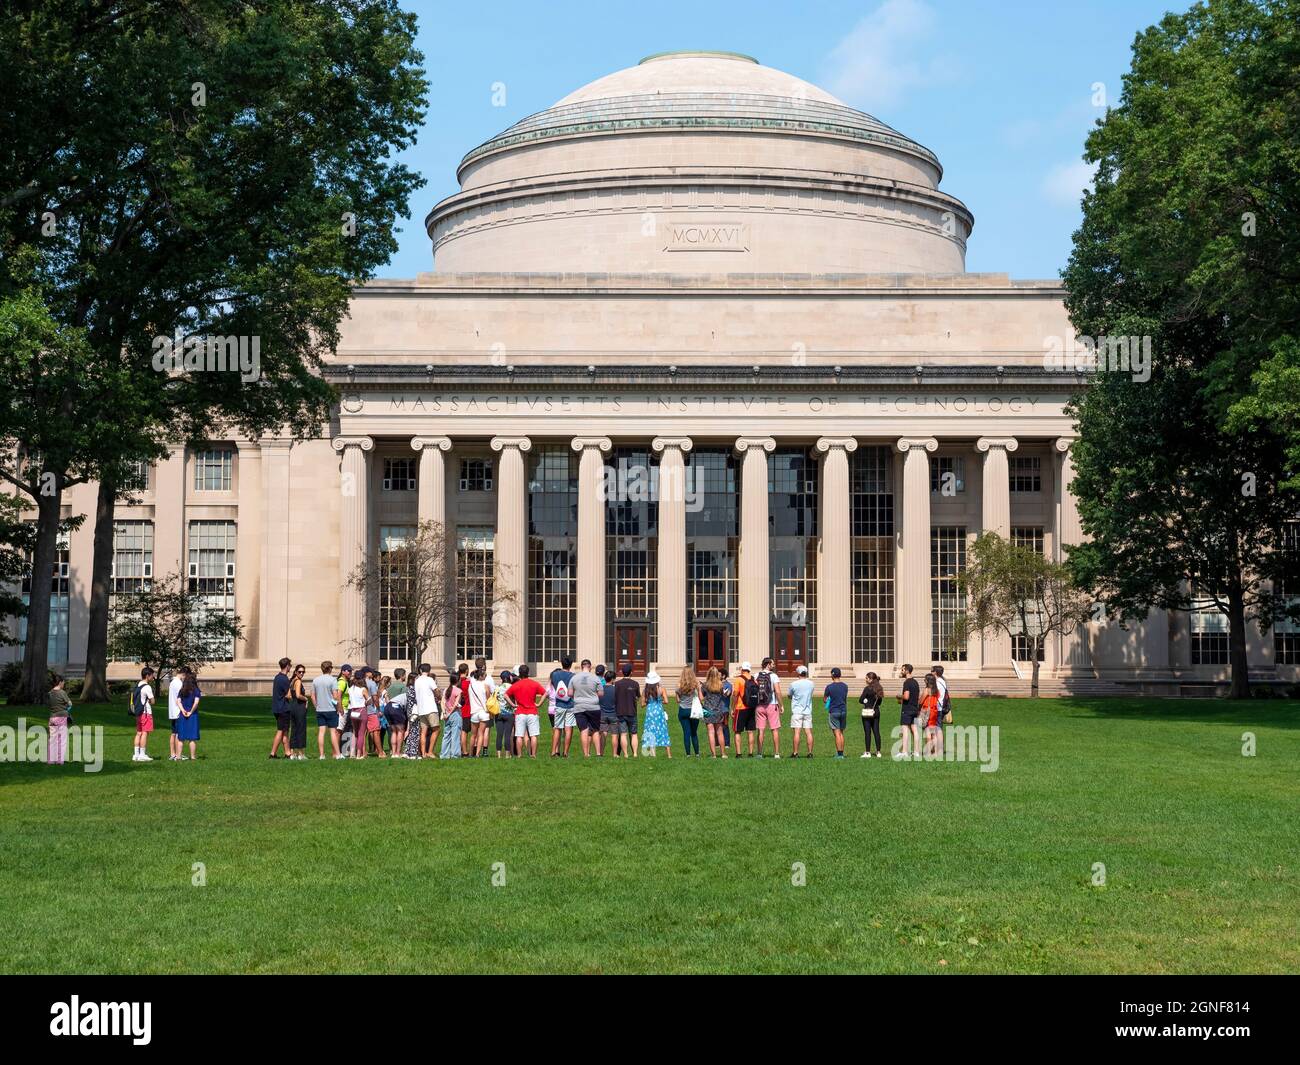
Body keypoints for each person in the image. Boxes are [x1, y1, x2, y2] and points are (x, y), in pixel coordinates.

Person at [506, 664, 546, 758]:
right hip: (532, 712)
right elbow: (544, 693)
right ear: (528, 673)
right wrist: (539, 703)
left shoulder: (516, 685)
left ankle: (519, 755)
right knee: (533, 735)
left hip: (520, 712)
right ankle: (533, 754)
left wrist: (512, 704)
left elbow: (506, 695)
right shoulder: (534, 683)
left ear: (519, 673)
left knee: (519, 735)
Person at [310, 661, 343, 760]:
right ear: (330, 669)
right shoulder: (332, 680)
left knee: (321, 732)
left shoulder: (316, 680)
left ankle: (321, 755)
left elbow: (312, 696)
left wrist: (316, 706)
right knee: (333, 732)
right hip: (331, 709)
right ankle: (337, 754)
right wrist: (338, 707)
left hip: (320, 709)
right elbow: (335, 696)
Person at [571, 660, 602, 757]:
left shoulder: (574, 678)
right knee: (595, 730)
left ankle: (586, 753)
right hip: (593, 706)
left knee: (584, 730)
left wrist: (577, 697)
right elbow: (601, 693)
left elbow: (570, 693)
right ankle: (598, 753)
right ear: (590, 667)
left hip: (579, 706)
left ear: (581, 667)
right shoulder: (596, 678)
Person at [549, 655, 577, 757]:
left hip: (559, 704)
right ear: (571, 664)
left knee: (557, 728)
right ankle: (565, 752)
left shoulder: (555, 675)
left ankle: (553, 751)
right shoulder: (573, 676)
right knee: (568, 729)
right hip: (570, 704)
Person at [754, 656, 782, 758]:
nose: (774, 665)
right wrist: (781, 705)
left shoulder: (756, 675)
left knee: (760, 730)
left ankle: (759, 753)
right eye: (773, 664)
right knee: (774, 729)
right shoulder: (774, 676)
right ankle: (777, 753)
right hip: (772, 704)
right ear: (768, 665)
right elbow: (778, 692)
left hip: (759, 705)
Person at [700, 667, 730, 758]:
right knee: (720, 732)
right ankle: (723, 753)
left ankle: (714, 754)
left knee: (711, 732)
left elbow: (701, 698)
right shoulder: (721, 685)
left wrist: (699, 689)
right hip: (718, 710)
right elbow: (725, 694)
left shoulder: (705, 685)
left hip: (707, 710)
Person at [466, 663, 495, 757]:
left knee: (473, 735)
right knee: (481, 733)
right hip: (484, 711)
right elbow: (488, 699)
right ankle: (478, 753)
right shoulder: (485, 685)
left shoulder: (471, 686)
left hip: (474, 711)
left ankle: (471, 753)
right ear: (481, 676)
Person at [640, 671, 671, 758]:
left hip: (650, 712)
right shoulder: (661, 689)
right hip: (659, 712)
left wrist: (649, 702)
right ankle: (669, 755)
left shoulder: (645, 691)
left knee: (650, 731)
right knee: (664, 730)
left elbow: (642, 704)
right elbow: (666, 701)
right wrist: (660, 701)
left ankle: (653, 754)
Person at [413, 664, 441, 759]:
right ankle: (430, 751)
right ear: (429, 670)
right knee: (436, 729)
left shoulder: (417, 680)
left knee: (423, 732)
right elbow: (436, 690)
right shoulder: (430, 680)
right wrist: (439, 697)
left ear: (420, 670)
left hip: (421, 709)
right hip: (430, 708)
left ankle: (423, 752)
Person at [613, 663, 640, 757]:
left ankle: (625, 754)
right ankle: (635, 753)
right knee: (634, 734)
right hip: (632, 711)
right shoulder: (635, 684)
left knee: (623, 734)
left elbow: (615, 697)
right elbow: (637, 697)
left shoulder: (617, 684)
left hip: (620, 712)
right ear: (631, 673)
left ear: (622, 673)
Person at [788, 664, 815, 758]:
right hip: (807, 710)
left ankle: (795, 753)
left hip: (797, 710)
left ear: (798, 673)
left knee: (797, 732)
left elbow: (789, 695)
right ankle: (810, 752)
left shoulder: (794, 684)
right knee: (808, 732)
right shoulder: (811, 683)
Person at [675, 665, 701, 756]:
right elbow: (701, 698)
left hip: (683, 710)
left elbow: (678, 700)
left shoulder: (679, 685)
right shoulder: (695, 684)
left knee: (686, 733)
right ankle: (697, 753)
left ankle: (688, 754)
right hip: (693, 710)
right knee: (694, 733)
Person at [131, 666, 156, 762]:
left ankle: (136, 755)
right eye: (151, 676)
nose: (152, 677)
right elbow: (152, 701)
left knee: (138, 733)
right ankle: (142, 754)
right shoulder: (147, 687)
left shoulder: (137, 685)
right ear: (147, 676)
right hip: (145, 713)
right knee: (145, 733)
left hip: (138, 712)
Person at [733, 661, 758, 757]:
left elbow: (735, 694)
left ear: (742, 669)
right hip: (751, 707)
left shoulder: (739, 679)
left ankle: (738, 753)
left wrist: (733, 707)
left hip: (741, 707)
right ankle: (751, 752)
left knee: (737, 731)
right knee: (750, 731)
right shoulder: (753, 679)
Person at [47, 673, 72, 766]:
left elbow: (49, 705)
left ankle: (50, 760)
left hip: (52, 718)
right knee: (62, 739)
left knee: (52, 739)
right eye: (63, 682)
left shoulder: (49, 693)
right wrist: (66, 708)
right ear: (60, 682)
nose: (64, 684)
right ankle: (60, 760)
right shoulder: (62, 693)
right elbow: (70, 704)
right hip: (62, 718)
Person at [896, 663, 921, 760]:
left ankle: (905, 752)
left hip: (907, 709)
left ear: (906, 671)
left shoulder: (907, 682)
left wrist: (899, 696)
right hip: (915, 709)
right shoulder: (915, 682)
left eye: (902, 670)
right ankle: (916, 752)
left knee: (905, 730)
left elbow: (906, 696)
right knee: (915, 730)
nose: (901, 672)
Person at [176, 671, 202, 760]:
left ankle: (178, 757)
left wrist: (183, 710)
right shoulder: (196, 690)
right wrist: (191, 711)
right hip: (193, 716)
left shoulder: (182, 690)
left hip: (182, 715)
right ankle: (193, 757)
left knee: (181, 738)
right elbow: (196, 702)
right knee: (192, 738)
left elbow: (178, 702)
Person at [270, 657, 293, 759]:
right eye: (290, 665)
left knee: (285, 731)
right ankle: (273, 753)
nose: (291, 667)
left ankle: (287, 753)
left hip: (277, 708)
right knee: (281, 731)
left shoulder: (277, 677)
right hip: (283, 708)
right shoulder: (284, 679)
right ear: (287, 666)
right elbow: (288, 695)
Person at [824, 667, 849, 759]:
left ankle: (839, 754)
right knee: (841, 733)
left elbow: (825, 699)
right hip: (843, 710)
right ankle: (841, 753)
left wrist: (828, 700)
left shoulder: (829, 687)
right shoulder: (845, 686)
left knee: (837, 733)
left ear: (832, 675)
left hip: (834, 711)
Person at [597, 665, 623, 756]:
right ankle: (615, 753)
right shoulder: (615, 689)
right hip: (614, 714)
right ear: (612, 679)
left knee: (603, 734)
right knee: (614, 734)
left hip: (602, 714)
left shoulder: (600, 689)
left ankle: (601, 752)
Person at [859, 671, 885, 758]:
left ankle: (867, 752)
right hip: (876, 711)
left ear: (870, 679)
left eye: (867, 678)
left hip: (867, 712)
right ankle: (878, 751)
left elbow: (860, 700)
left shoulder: (867, 689)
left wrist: (866, 701)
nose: (865, 680)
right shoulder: (879, 688)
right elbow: (880, 702)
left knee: (867, 732)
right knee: (876, 731)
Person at [349, 668, 373, 758]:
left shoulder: (351, 689)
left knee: (355, 732)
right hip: (361, 711)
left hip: (353, 711)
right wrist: (367, 702)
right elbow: (369, 700)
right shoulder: (363, 689)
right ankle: (359, 754)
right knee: (361, 733)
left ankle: (352, 752)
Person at [386, 668, 409, 759]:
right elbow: (405, 700)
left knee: (393, 731)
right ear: (402, 676)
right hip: (398, 709)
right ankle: (398, 752)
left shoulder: (390, 687)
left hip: (389, 707)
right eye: (405, 675)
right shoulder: (403, 687)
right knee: (400, 731)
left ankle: (393, 752)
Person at [288, 664, 309, 760]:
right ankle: (301, 753)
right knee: (301, 729)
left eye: (303, 672)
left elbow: (288, 695)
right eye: (300, 671)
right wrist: (306, 699)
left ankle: (293, 753)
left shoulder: (292, 681)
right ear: (295, 672)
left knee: (294, 729)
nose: (301, 673)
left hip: (292, 706)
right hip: (299, 707)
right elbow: (297, 695)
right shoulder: (298, 681)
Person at [441, 673, 463, 759]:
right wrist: (450, 713)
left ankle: (444, 755)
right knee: (455, 736)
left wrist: (444, 713)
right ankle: (455, 754)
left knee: (446, 735)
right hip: (455, 714)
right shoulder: (458, 691)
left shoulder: (446, 690)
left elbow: (442, 702)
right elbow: (456, 704)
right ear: (457, 680)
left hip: (446, 714)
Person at [494, 669, 516, 757]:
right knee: (507, 734)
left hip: (499, 713)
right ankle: (507, 754)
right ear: (509, 677)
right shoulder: (512, 687)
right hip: (509, 713)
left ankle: (499, 755)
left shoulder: (497, 688)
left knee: (499, 734)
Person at [167, 666, 187, 761]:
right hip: (178, 710)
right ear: (183, 674)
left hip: (172, 710)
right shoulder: (179, 683)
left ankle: (173, 754)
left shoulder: (172, 682)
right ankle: (177, 754)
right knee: (178, 733)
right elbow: (181, 698)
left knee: (174, 733)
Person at [922, 673, 943, 758]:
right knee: (933, 733)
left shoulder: (927, 690)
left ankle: (928, 752)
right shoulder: (936, 690)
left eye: (925, 679)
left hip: (927, 711)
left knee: (927, 732)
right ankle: (936, 752)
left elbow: (921, 700)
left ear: (928, 681)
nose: (924, 680)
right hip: (934, 711)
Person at [336, 665, 354, 757]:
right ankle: (336, 752)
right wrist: (340, 708)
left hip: (346, 708)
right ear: (343, 672)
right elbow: (338, 695)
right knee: (339, 730)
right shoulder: (342, 682)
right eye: (348, 671)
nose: (350, 673)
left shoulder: (346, 682)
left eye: (351, 671)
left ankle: (339, 751)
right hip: (342, 709)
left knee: (341, 730)